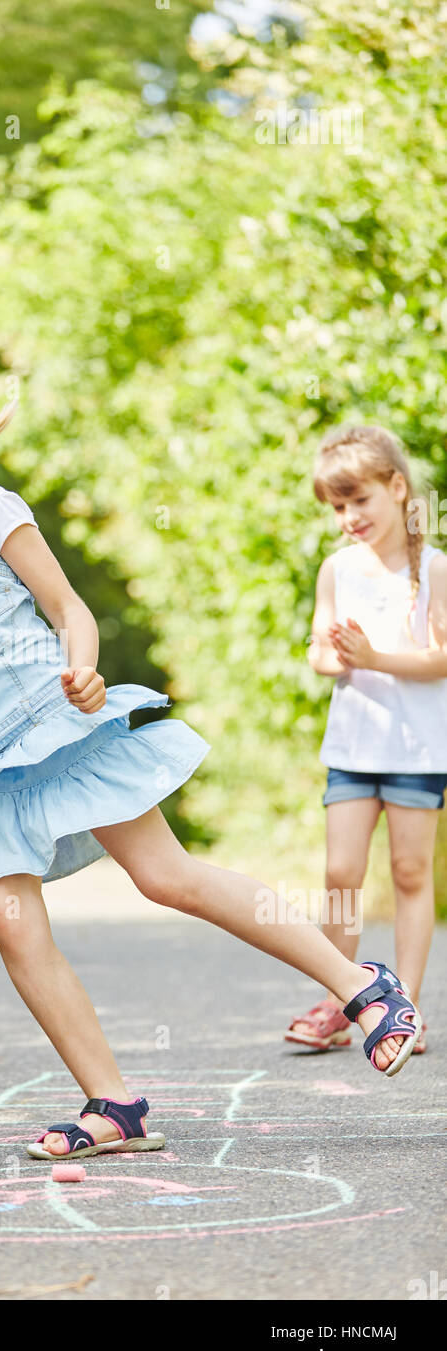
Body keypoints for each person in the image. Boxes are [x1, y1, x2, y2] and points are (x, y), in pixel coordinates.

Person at [0, 360, 421, 1159]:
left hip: (55, 720)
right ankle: (113, 1104)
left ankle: (360, 985)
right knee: (13, 929)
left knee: (168, 878)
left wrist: (85, 667)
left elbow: (69, 609)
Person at [285, 425, 447, 1056]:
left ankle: (405, 1004)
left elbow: (441, 658)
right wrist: (334, 656)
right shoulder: (337, 569)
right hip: (352, 749)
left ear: (397, 487)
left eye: (360, 501)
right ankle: (341, 998)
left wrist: (374, 656)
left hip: (415, 749)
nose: (349, 517)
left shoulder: (433, 567)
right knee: (341, 871)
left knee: (410, 872)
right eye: (338, 506)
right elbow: (322, 651)